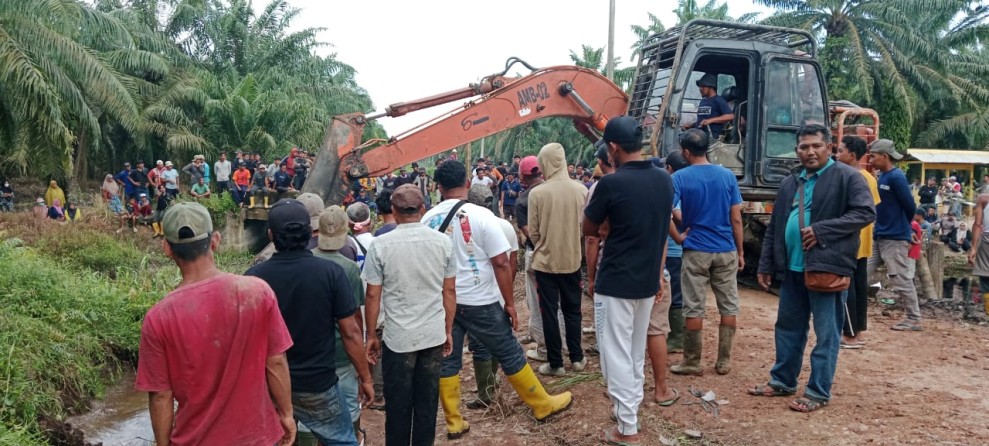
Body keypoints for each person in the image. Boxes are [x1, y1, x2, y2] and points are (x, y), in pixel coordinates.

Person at [424, 160, 572, 440]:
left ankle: (454, 421)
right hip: (480, 300)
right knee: (508, 351)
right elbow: (502, 263)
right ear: (468, 183)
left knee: (448, 358)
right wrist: (510, 303)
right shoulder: (483, 217)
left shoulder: (427, 219)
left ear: (439, 187)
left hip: (444, 302)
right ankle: (541, 404)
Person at [135, 202, 296, 446]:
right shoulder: (256, 291)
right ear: (215, 240)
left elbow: (161, 395)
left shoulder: (159, 317)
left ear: (166, 248)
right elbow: (275, 360)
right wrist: (286, 414)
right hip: (256, 436)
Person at [750, 124, 875, 413]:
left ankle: (818, 391)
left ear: (829, 147)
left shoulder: (847, 177)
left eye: (816, 146)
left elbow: (865, 212)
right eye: (804, 147)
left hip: (827, 268)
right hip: (793, 269)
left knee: (826, 333)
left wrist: (823, 230)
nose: (810, 152)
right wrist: (767, 263)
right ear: (797, 151)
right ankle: (782, 380)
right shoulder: (790, 182)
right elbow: (775, 227)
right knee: (788, 327)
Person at [245, 199, 374, 445]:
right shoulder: (330, 273)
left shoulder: (253, 279)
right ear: (309, 232)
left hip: (271, 384)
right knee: (343, 441)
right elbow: (351, 333)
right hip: (319, 383)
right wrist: (365, 377)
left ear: (271, 235)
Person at [583, 116, 673, 445]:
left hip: (616, 283)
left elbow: (588, 229)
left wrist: (607, 225)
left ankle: (627, 428)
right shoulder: (665, 180)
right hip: (647, 281)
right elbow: (663, 230)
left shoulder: (611, 184)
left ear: (614, 147)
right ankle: (629, 409)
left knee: (614, 355)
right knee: (634, 351)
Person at [364, 184, 456, 446]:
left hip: (398, 339)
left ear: (393, 211)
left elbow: (373, 295)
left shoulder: (380, 245)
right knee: (427, 404)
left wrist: (371, 335)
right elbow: (449, 290)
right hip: (432, 335)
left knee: (398, 405)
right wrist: (447, 329)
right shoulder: (443, 242)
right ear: (422, 209)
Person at [671, 128, 744, 376]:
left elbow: (669, 211)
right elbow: (736, 219)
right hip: (726, 248)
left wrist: (681, 231)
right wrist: (740, 251)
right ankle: (723, 361)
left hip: (695, 249)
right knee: (729, 305)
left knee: (693, 306)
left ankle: (692, 362)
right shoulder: (727, 176)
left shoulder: (679, 178)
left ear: (685, 151)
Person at [527, 142, 588, 376]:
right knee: (573, 310)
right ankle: (577, 358)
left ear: (544, 163)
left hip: (545, 263)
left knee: (549, 313)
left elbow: (533, 232)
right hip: (572, 260)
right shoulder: (580, 189)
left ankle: (555, 363)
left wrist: (546, 243)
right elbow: (584, 228)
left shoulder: (538, 193)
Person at [312, 206, 368, 445]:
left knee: (311, 414)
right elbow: (354, 321)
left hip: (311, 351)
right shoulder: (349, 268)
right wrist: (364, 370)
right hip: (340, 352)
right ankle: (352, 437)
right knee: (348, 404)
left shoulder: (308, 262)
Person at [464, 184, 519, 409]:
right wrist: (508, 291)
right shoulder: (505, 225)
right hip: (500, 291)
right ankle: (493, 378)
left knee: (480, 345)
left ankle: (485, 392)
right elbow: (511, 261)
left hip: (480, 295)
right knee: (498, 338)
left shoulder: (469, 226)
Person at [867, 139, 922, 331]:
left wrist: (906, 230)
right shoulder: (882, 176)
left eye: (874, 156)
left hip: (894, 238)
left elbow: (910, 206)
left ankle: (914, 318)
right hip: (880, 235)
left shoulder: (896, 177)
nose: (871, 159)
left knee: (900, 279)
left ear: (885, 156)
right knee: (861, 272)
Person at [514, 155, 565, 363]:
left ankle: (545, 349)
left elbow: (529, 233)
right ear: (541, 172)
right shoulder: (557, 192)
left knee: (538, 303)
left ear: (522, 176)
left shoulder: (523, 200)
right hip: (562, 251)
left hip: (537, 254)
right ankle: (565, 342)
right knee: (560, 301)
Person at [834, 135, 881, 348]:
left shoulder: (848, 177)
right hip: (864, 241)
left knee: (847, 287)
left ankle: (850, 334)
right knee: (859, 286)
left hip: (850, 240)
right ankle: (858, 331)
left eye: (840, 150)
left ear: (851, 155)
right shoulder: (870, 177)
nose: (836, 154)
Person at [661, 152, 690, 353]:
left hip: (673, 248)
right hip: (679, 248)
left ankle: (677, 338)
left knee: (675, 293)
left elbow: (676, 214)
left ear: (669, 168)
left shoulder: (673, 184)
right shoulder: (689, 182)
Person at [682, 73, 734, 140]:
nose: (700, 89)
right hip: (700, 133)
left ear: (711, 87)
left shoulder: (718, 100)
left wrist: (710, 120)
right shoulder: (703, 101)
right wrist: (691, 125)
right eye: (700, 86)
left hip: (711, 136)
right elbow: (702, 121)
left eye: (703, 86)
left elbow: (730, 116)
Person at [968, 191, 989, 316]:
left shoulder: (983, 198)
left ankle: (988, 313)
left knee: (986, 278)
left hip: (986, 241)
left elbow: (977, 225)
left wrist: (973, 248)